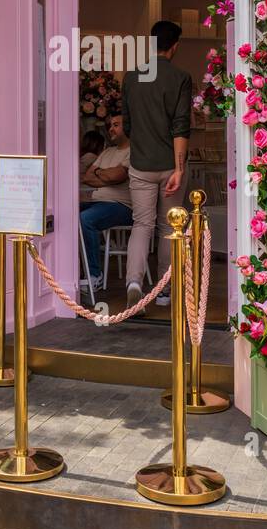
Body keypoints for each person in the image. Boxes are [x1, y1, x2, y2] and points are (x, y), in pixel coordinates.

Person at [122, 19, 192, 312]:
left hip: (140, 163)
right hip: (169, 164)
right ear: (174, 46)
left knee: (142, 225)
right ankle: (163, 290)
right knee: (169, 227)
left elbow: (127, 124)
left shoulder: (131, 77)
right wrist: (178, 168)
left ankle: (134, 283)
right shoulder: (180, 77)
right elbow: (181, 126)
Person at [79, 115, 131, 293]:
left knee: (85, 219)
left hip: (122, 205)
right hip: (98, 202)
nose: (111, 129)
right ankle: (74, 273)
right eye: (110, 125)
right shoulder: (107, 151)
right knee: (66, 213)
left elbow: (119, 176)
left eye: (116, 125)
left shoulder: (133, 151)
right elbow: (87, 177)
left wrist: (102, 174)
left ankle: (95, 275)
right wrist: (108, 177)